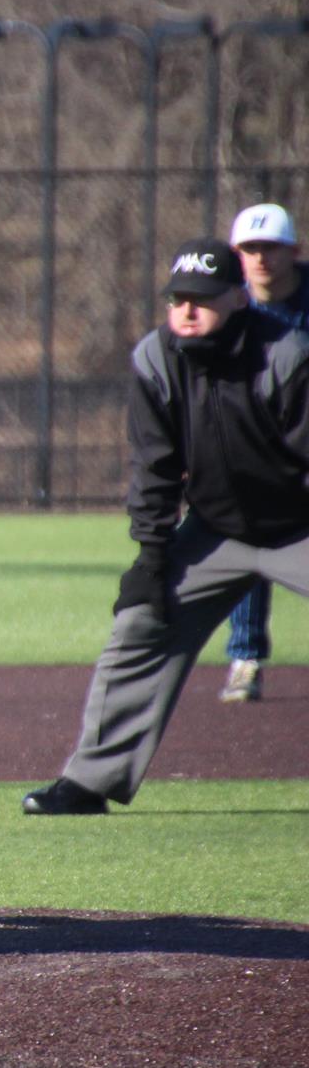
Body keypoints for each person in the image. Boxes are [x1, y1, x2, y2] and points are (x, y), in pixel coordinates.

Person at [23, 239, 309, 816]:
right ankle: (89, 782)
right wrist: (151, 559)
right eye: (178, 299)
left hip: (297, 527)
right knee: (140, 622)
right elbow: (153, 468)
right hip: (217, 532)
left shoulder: (286, 354)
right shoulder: (157, 358)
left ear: (238, 298)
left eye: (202, 298)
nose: (187, 310)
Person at [218, 203, 304, 703]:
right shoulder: (228, 304)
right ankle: (245, 659)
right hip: (259, 445)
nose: (260, 258)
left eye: (270, 247)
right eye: (250, 249)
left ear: (295, 251)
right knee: (249, 540)